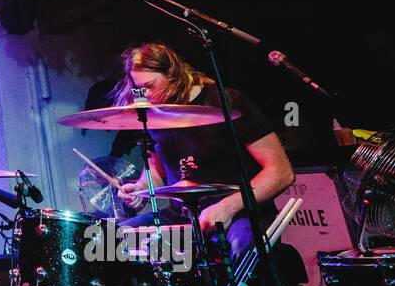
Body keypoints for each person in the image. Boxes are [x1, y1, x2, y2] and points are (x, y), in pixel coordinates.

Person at [112, 42, 295, 262]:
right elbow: (157, 171)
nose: (146, 95)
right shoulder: (153, 116)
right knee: (110, 241)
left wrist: (227, 207)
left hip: (239, 210)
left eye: (150, 86)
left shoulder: (227, 103)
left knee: (244, 248)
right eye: (140, 89)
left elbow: (281, 172)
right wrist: (141, 188)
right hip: (183, 215)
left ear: (171, 72)